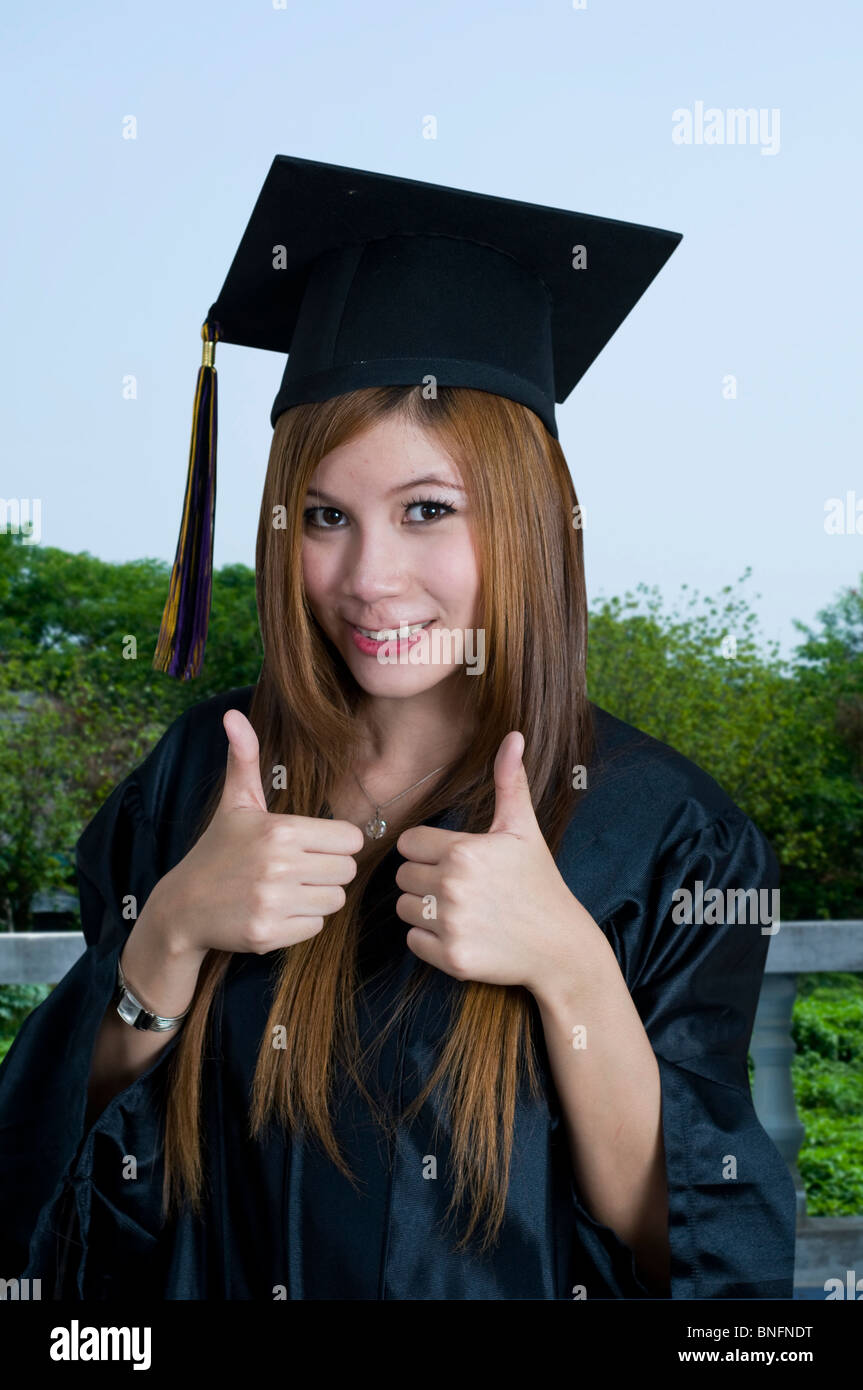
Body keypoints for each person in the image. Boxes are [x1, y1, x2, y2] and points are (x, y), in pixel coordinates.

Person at [0, 155, 796, 1301]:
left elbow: (695, 1253)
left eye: (427, 511)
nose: (370, 578)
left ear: (524, 519)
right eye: (325, 515)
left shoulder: (665, 832)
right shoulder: (200, 776)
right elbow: (49, 1158)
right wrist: (167, 932)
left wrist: (568, 965)